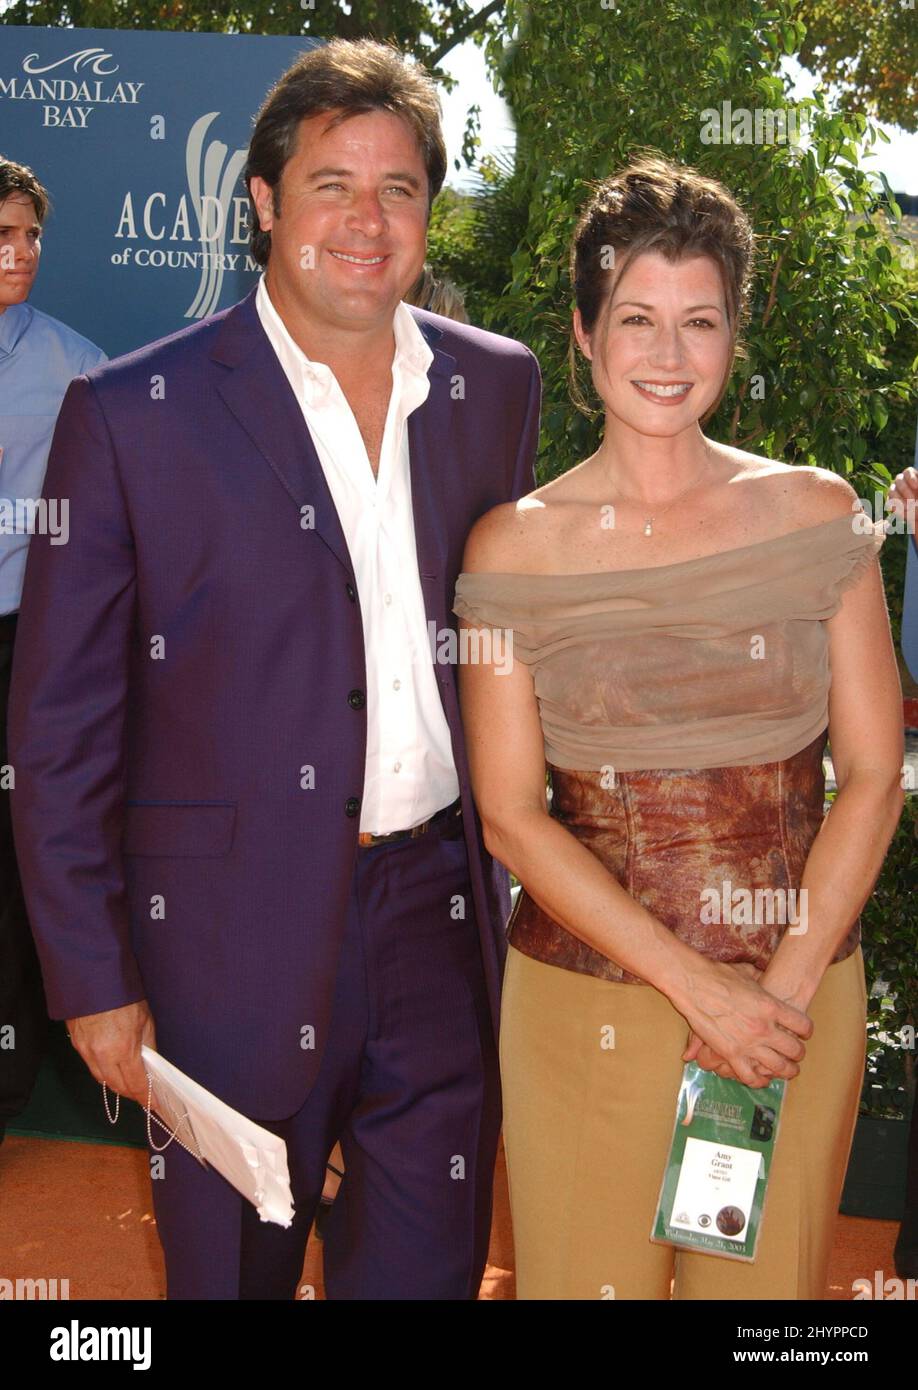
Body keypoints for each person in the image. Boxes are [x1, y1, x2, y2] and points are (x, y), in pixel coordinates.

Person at [8, 39, 539, 1300]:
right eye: (330, 184)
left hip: (440, 931)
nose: (367, 219)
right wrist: (92, 982)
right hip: (217, 950)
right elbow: (61, 724)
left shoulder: (493, 389)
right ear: (261, 201)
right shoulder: (133, 411)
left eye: (399, 187)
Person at [453, 155, 905, 1299]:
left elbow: (874, 773)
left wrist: (782, 988)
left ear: (733, 336)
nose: (667, 354)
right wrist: (701, 991)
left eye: (698, 321)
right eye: (636, 319)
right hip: (587, 1002)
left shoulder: (816, 515)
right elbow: (510, 816)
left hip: (794, 1002)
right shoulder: (512, 547)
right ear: (584, 332)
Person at [0, 157, 106, 1147]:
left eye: (30, 234)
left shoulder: (79, 364)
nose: (22, 252)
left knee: (17, 851)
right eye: (4, 234)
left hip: (25, 642)